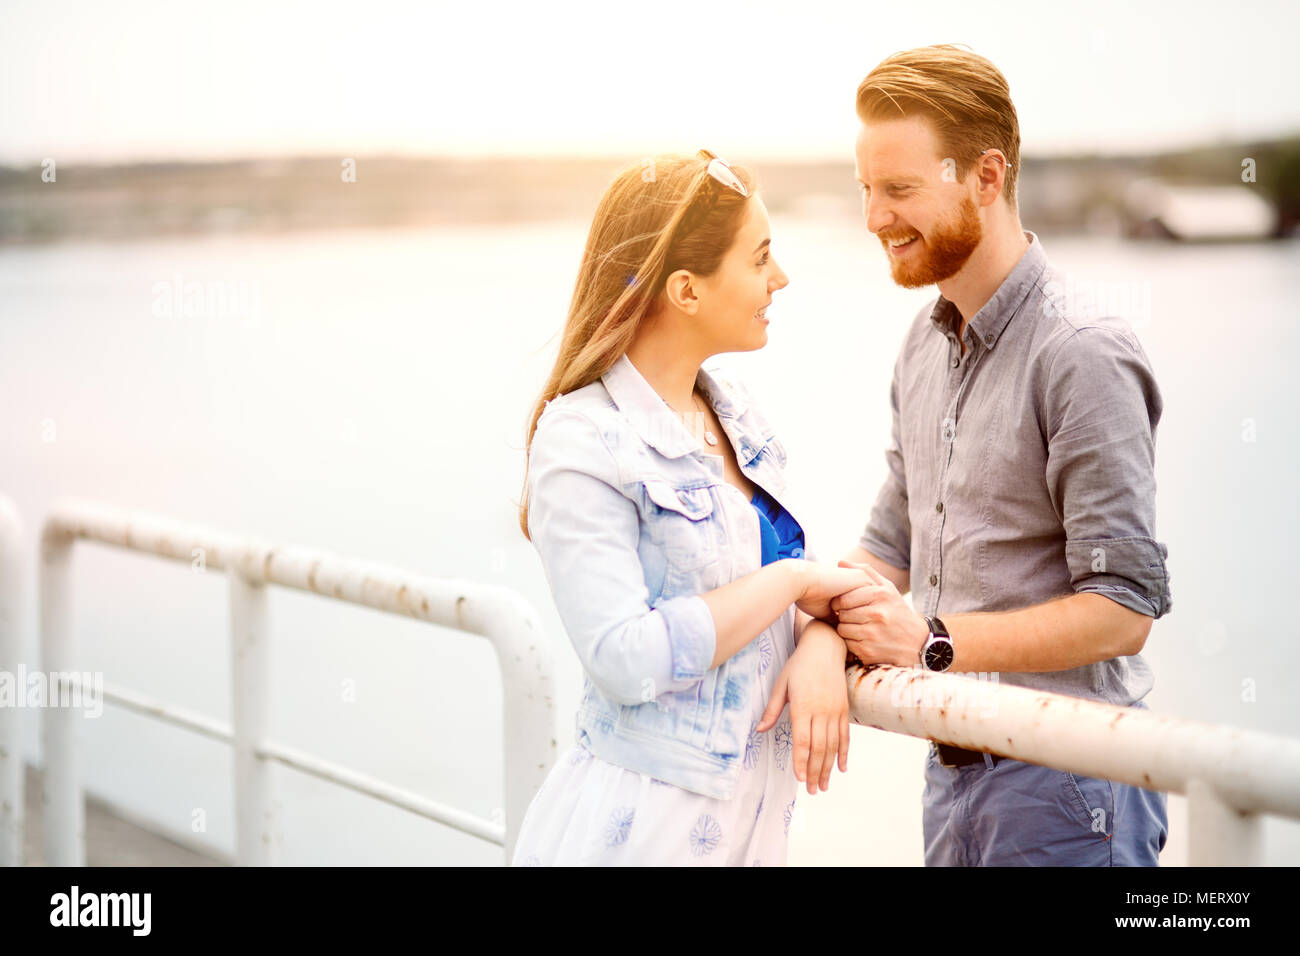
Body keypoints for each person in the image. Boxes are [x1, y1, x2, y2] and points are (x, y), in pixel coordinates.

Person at [830, 45, 1172, 866]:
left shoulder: (1081, 351)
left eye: (901, 189)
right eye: (867, 190)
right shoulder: (922, 342)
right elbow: (887, 549)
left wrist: (931, 643)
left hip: (1070, 789)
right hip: (949, 774)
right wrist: (807, 626)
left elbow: (1125, 612)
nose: (875, 216)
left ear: (986, 176)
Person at [512, 151, 868, 865]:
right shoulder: (582, 439)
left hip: (751, 832)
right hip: (640, 836)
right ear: (685, 290)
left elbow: (791, 598)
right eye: (760, 258)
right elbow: (624, 657)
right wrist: (794, 585)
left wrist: (823, 639)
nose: (781, 279)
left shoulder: (739, 416)